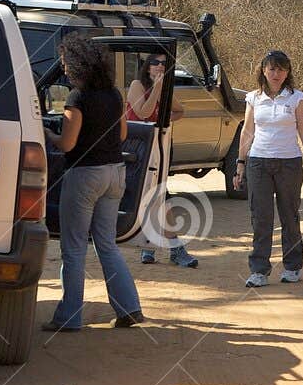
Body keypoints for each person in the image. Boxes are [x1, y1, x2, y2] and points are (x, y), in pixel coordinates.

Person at [40, 34, 145, 331]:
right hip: (115, 173)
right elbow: (122, 135)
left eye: (65, 62)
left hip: (84, 175)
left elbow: (68, 144)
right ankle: (129, 307)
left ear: (77, 64)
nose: (63, 68)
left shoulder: (77, 98)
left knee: (73, 248)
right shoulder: (113, 94)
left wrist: (48, 135)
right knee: (107, 245)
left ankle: (69, 317)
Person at [236, 50, 303, 287]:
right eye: (272, 69)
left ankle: (292, 267)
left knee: (289, 216)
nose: (276, 74)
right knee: (261, 217)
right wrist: (240, 163)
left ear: (288, 72)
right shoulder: (253, 98)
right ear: (263, 70)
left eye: (281, 69)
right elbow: (248, 131)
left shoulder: (297, 98)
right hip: (258, 163)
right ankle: (259, 271)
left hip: (289, 163)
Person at [127, 53, 198, 269]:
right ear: (147, 66)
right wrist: (157, 88)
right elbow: (143, 112)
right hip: (138, 149)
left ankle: (150, 247)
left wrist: (164, 120)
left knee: (156, 195)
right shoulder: (137, 85)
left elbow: (179, 111)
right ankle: (172, 248)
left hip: (158, 148)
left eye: (164, 64)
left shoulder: (165, 90)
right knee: (153, 196)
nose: (159, 66)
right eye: (155, 62)